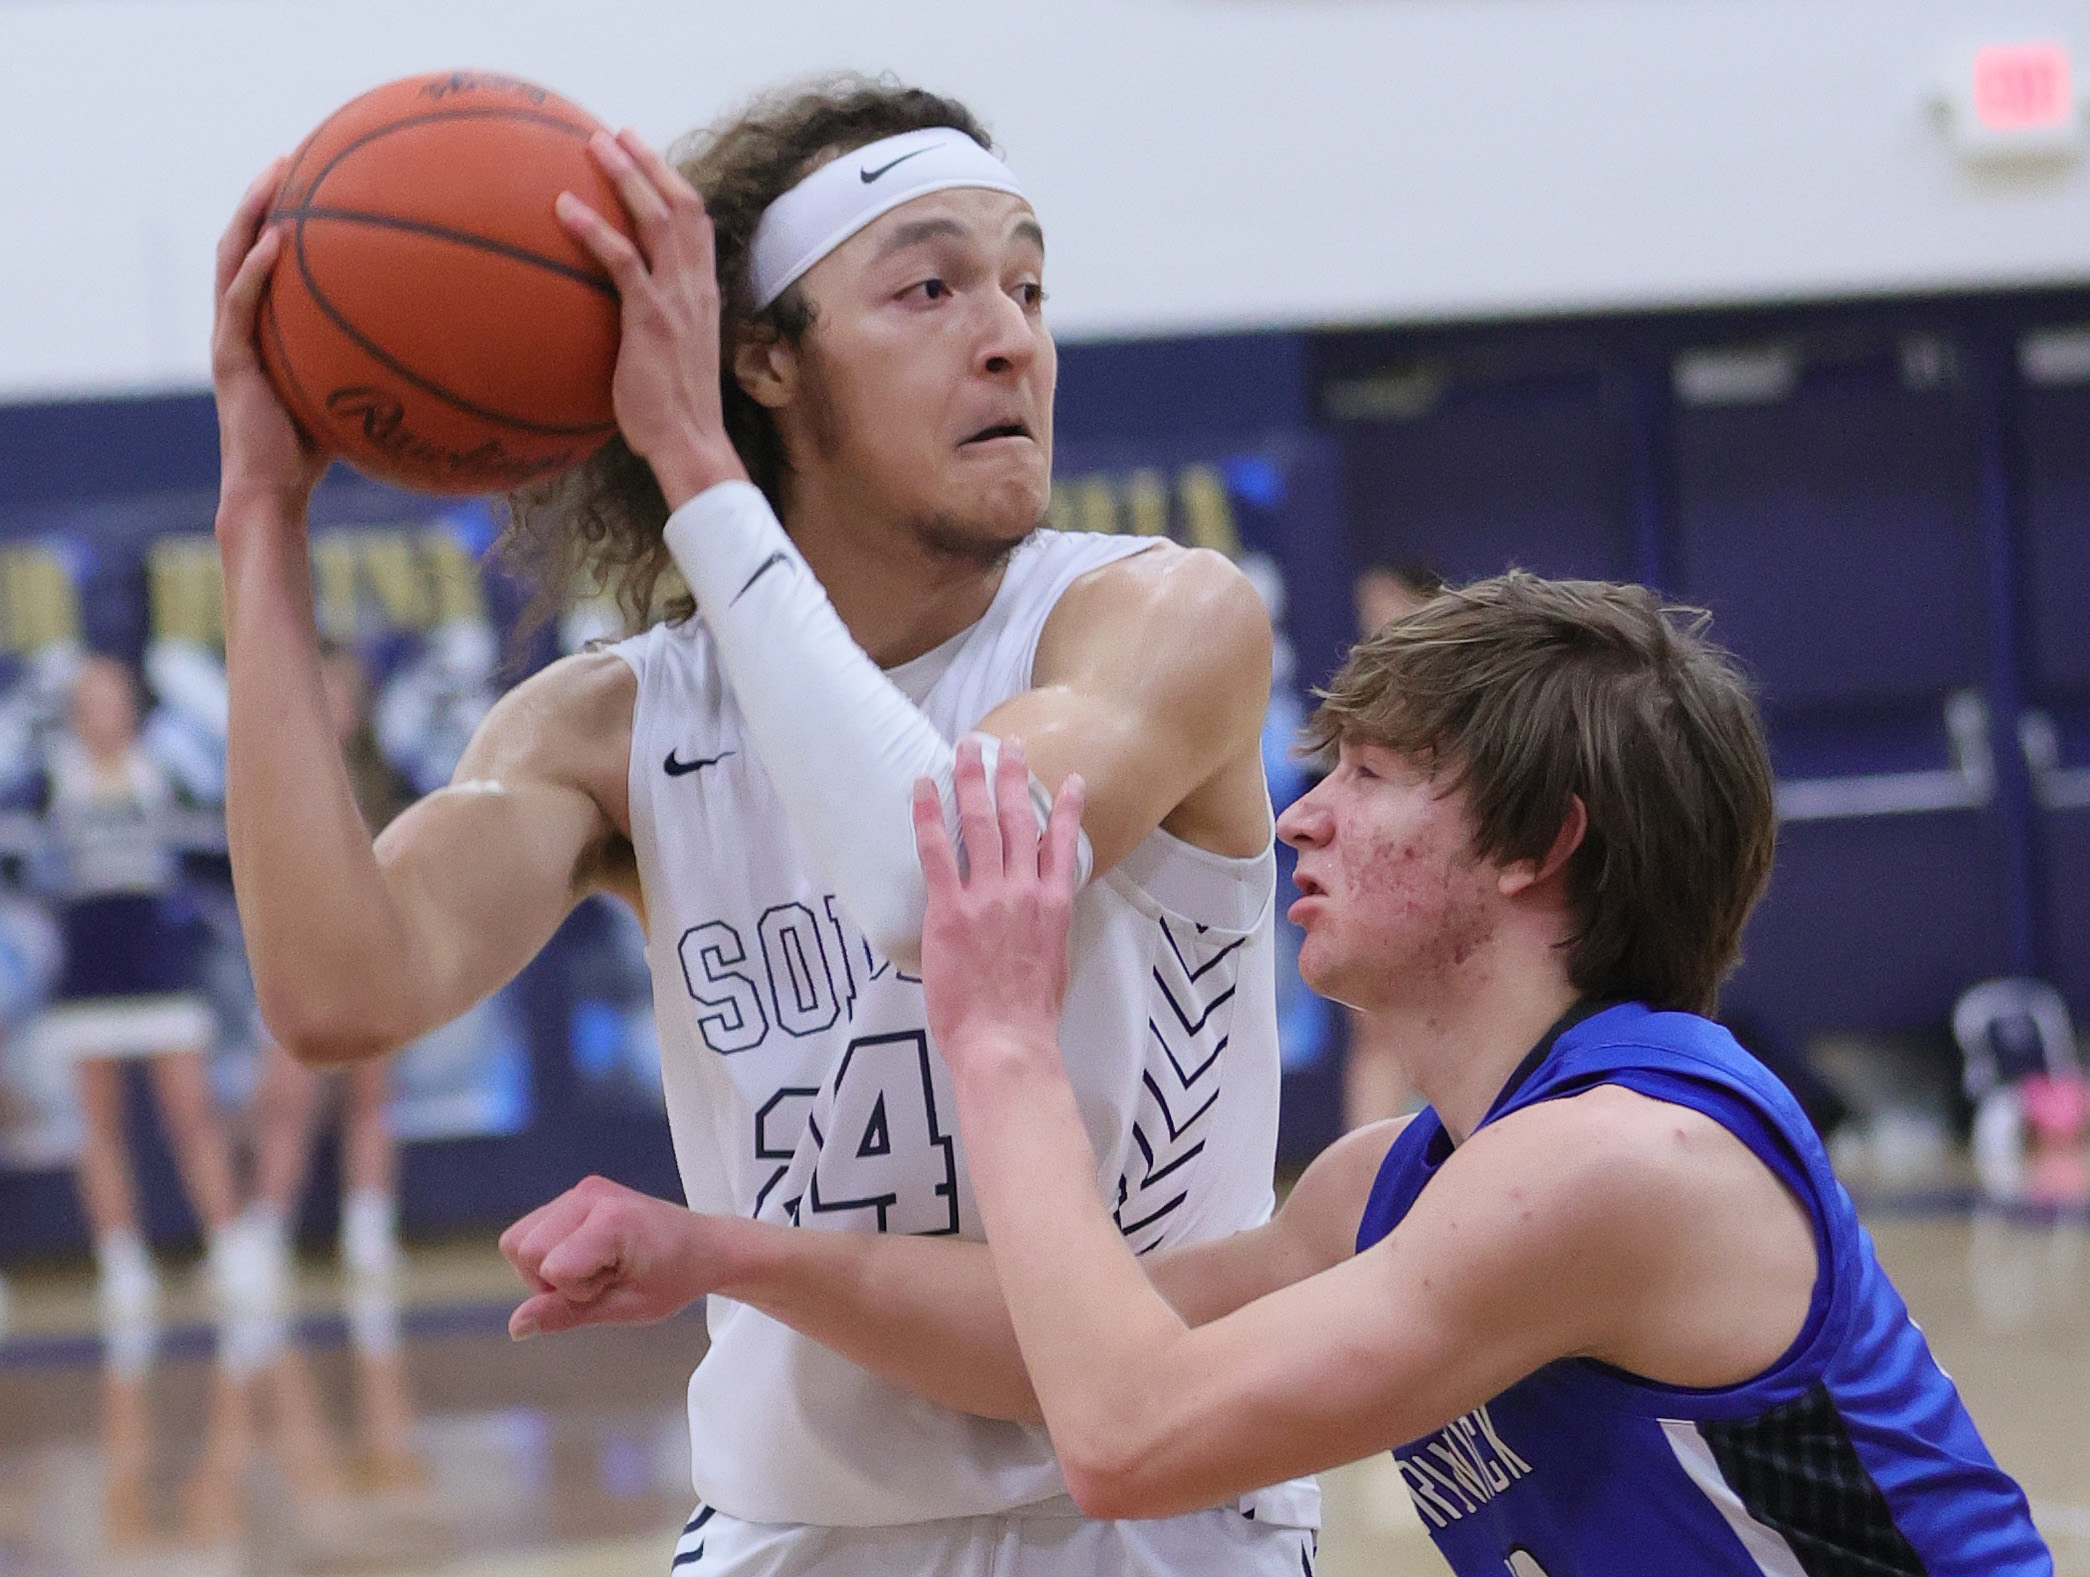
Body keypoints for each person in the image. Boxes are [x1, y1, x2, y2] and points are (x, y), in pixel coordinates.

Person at [212, 78, 1315, 1573]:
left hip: (1145, 1524)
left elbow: (936, 890)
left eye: (1029, 284)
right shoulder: (606, 726)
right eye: (927, 286)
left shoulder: (1154, 620)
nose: (1009, 334)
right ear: (761, 362)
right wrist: (261, 527)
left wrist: (698, 471)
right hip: (796, 1529)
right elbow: (339, 990)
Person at [504, 575, 2051, 1575]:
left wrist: (999, 1037)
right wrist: (722, 1250)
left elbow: (1128, 1439)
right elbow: (1066, 1360)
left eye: (1371, 778)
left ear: (1537, 845)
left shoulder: (1618, 1168)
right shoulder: (1389, 1184)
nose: (1301, 818)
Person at [41, 655, 260, 1322]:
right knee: (99, 1122)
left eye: (114, 698)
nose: (104, 712)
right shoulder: (48, 780)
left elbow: (216, 854)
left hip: (162, 970)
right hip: (87, 975)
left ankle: (228, 1242)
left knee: (191, 1112)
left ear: (132, 707)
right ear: (76, 713)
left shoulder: (168, 773)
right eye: (91, 700)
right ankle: (120, 1257)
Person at [242, 642, 413, 1284]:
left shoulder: (385, 780)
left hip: (373, 957)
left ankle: (369, 1229)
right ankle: (267, 1232)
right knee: (287, 1099)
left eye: (345, 693)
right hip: (301, 959)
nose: (335, 706)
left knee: (373, 1095)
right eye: (323, 692)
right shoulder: (277, 775)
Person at [1341, 561, 1442, 1133]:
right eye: (1367, 619)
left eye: (1389, 610)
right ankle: (1371, 1186)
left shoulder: (1473, 705)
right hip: (1375, 868)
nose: (1376, 629)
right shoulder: (1364, 702)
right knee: (1375, 1026)